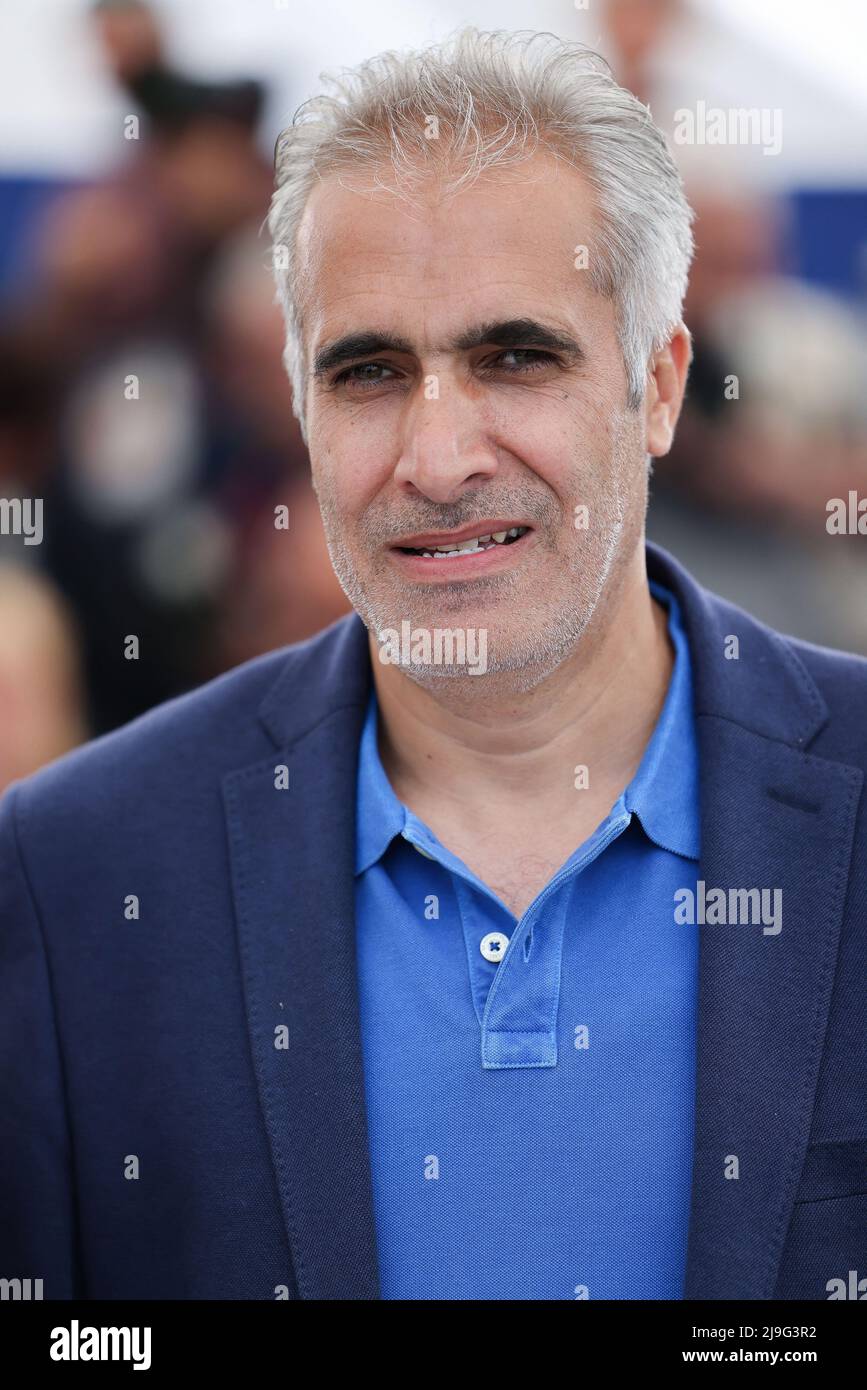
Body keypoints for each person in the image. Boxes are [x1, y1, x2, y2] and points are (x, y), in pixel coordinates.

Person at [1, 29, 864, 1303]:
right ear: (297, 408)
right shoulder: (75, 873)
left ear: (660, 382)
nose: (439, 454)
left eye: (516, 356)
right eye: (369, 371)